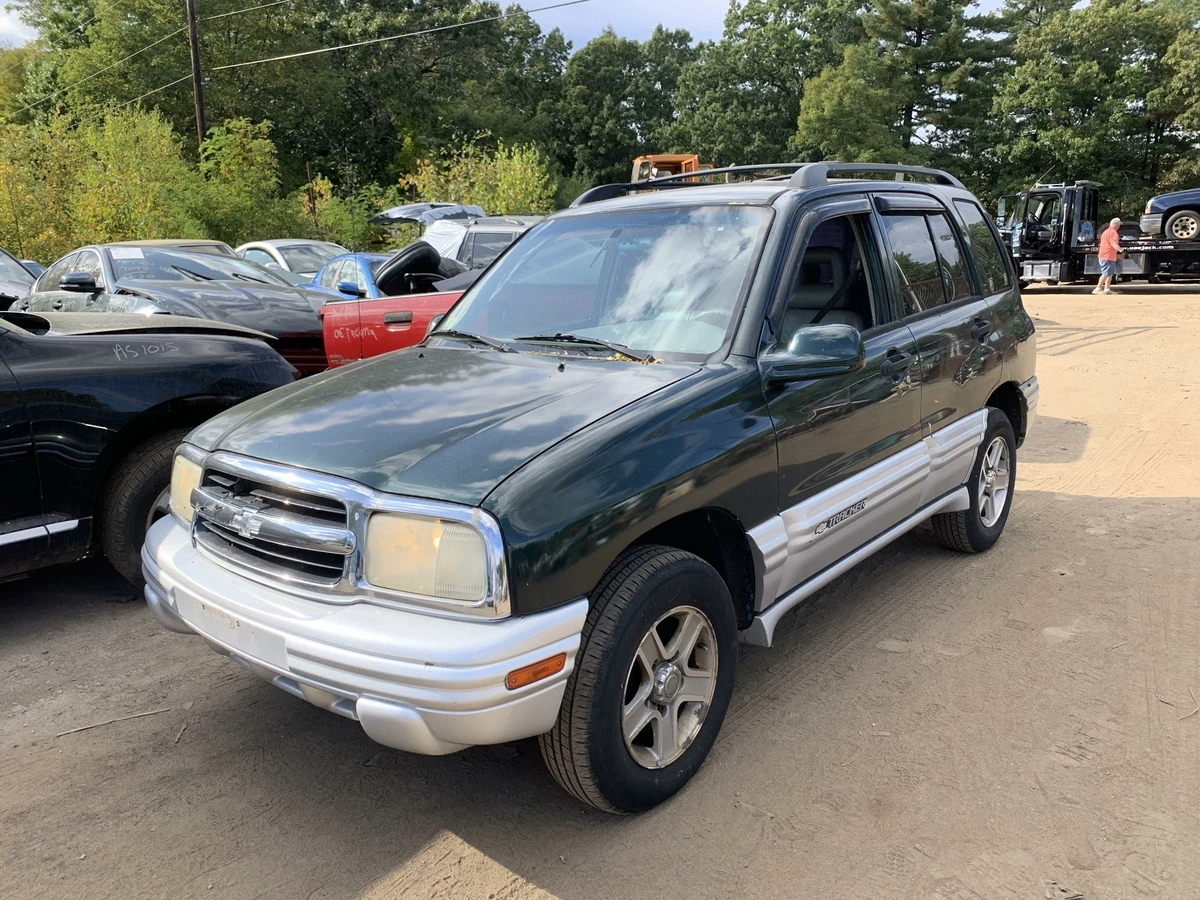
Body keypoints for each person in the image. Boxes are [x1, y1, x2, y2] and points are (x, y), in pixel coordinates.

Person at [1094, 217, 1123, 294]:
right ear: (1118, 225)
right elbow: (1114, 244)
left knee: (1109, 273)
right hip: (1107, 256)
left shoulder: (1106, 232)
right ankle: (1097, 289)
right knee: (1106, 273)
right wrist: (1122, 251)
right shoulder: (1113, 233)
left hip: (1106, 255)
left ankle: (1107, 289)